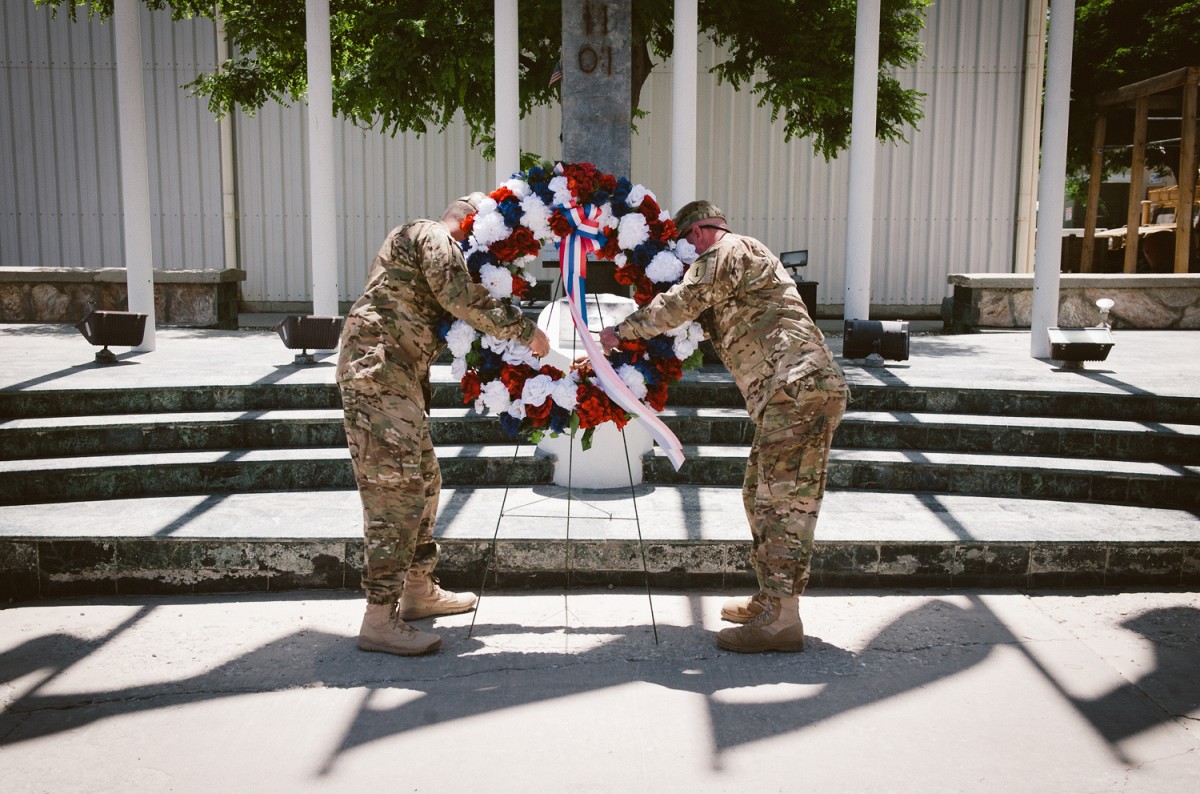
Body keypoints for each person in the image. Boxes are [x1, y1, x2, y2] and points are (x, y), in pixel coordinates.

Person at [598, 200, 848, 654]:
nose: (689, 254)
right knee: (760, 494)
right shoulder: (739, 261)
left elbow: (681, 302)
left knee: (783, 504)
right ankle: (772, 599)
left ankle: (782, 618)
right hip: (791, 391)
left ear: (697, 234)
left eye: (687, 243)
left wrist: (622, 331)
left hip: (798, 386)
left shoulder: (729, 252)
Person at [337, 194, 551, 656]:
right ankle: (378, 617)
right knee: (396, 493)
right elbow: (458, 296)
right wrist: (524, 330)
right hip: (379, 375)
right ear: (472, 222)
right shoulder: (430, 233)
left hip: (399, 377)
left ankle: (417, 591)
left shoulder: (421, 242)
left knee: (426, 481)